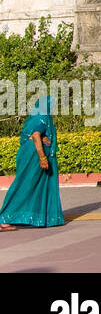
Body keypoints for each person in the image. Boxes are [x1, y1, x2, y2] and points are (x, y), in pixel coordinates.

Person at [0, 96, 64, 231]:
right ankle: (4, 217)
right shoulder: (42, 117)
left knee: (34, 185)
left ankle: (37, 217)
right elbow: (36, 135)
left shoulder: (38, 116)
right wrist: (42, 157)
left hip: (32, 154)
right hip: (34, 155)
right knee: (25, 185)